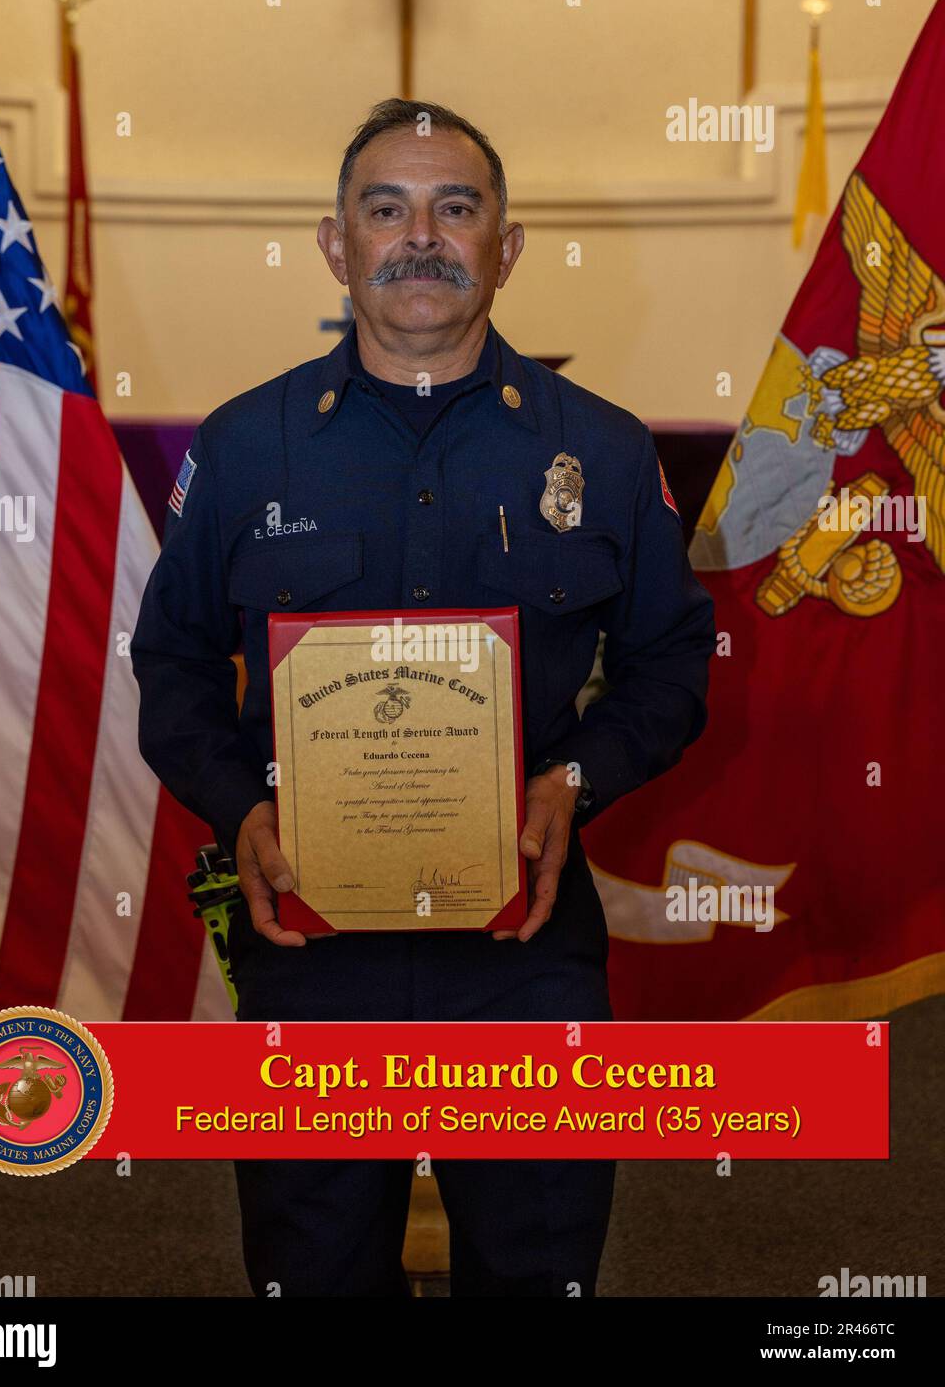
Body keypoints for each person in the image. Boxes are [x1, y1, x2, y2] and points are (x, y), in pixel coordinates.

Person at [131, 98, 716, 1297]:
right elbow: (174, 663)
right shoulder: (245, 448)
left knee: (538, 1264)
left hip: (522, 942)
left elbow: (670, 662)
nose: (419, 236)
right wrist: (240, 808)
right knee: (313, 1266)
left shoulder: (599, 452)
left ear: (506, 248)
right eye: (384, 208)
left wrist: (574, 781)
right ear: (333, 245)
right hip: (309, 940)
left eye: (456, 208)